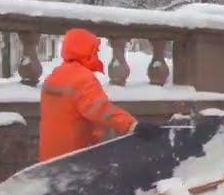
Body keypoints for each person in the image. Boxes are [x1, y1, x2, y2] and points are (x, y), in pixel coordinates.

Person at [39, 28, 162, 161]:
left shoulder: (54, 76)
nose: (97, 55)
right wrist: (132, 125)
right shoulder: (82, 79)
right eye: (95, 50)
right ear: (85, 50)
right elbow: (102, 110)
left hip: (50, 156)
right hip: (73, 156)